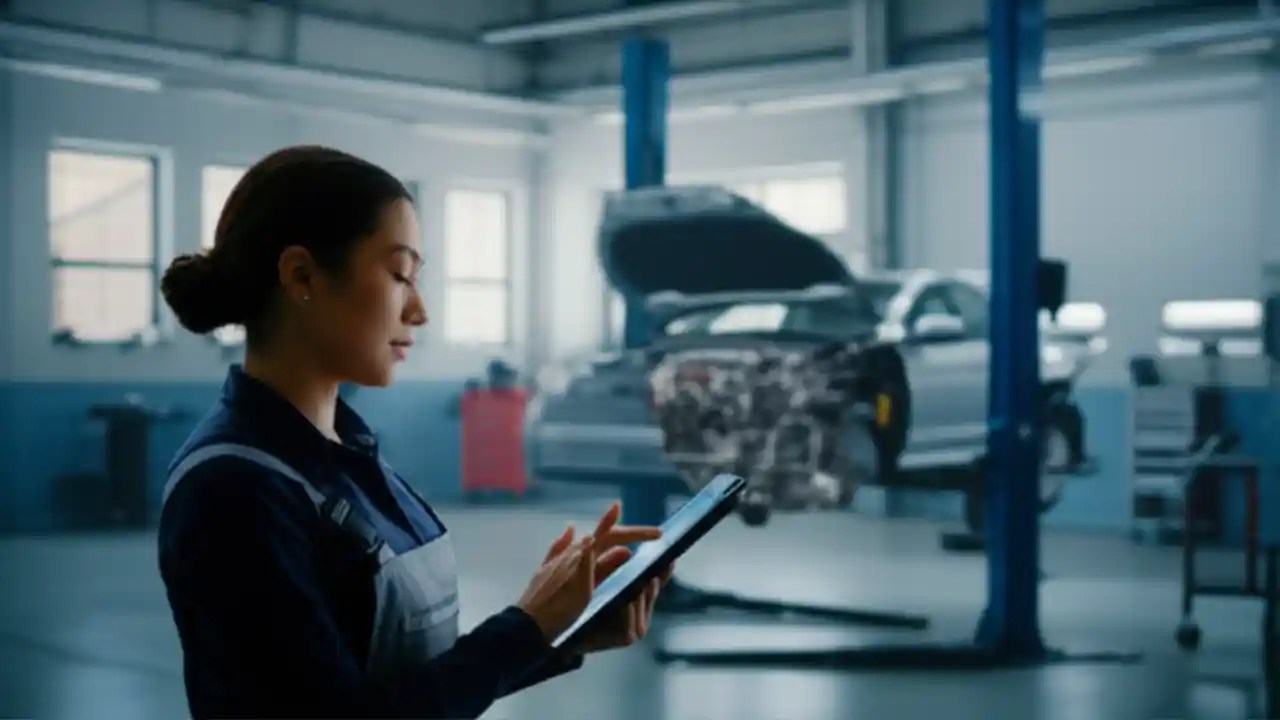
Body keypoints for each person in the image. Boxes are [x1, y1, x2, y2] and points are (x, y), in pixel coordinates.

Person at [156, 145, 670, 719]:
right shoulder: (234, 489)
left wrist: (559, 629)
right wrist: (524, 628)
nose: (419, 311)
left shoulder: (347, 456)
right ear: (302, 275)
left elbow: (411, 687)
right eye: (400, 274)